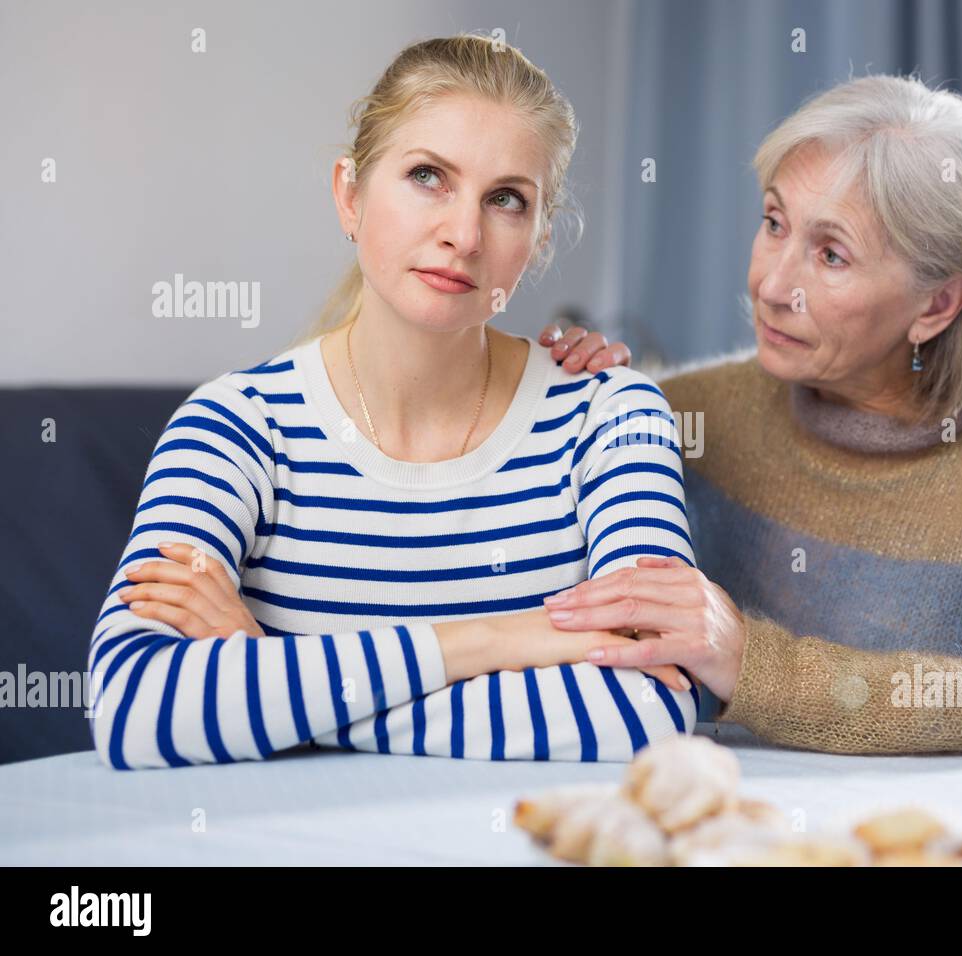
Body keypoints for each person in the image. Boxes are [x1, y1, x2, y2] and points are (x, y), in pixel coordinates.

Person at [88, 35, 696, 771]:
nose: (463, 236)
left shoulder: (614, 417)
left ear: (537, 239)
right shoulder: (234, 425)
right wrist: (496, 640)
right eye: (427, 176)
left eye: (506, 199)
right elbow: (132, 709)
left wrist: (278, 687)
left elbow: (655, 707)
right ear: (350, 194)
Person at [534, 74, 962, 759]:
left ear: (937, 306)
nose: (769, 285)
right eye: (774, 223)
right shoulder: (683, 416)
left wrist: (758, 668)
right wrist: (553, 402)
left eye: (831, 254)